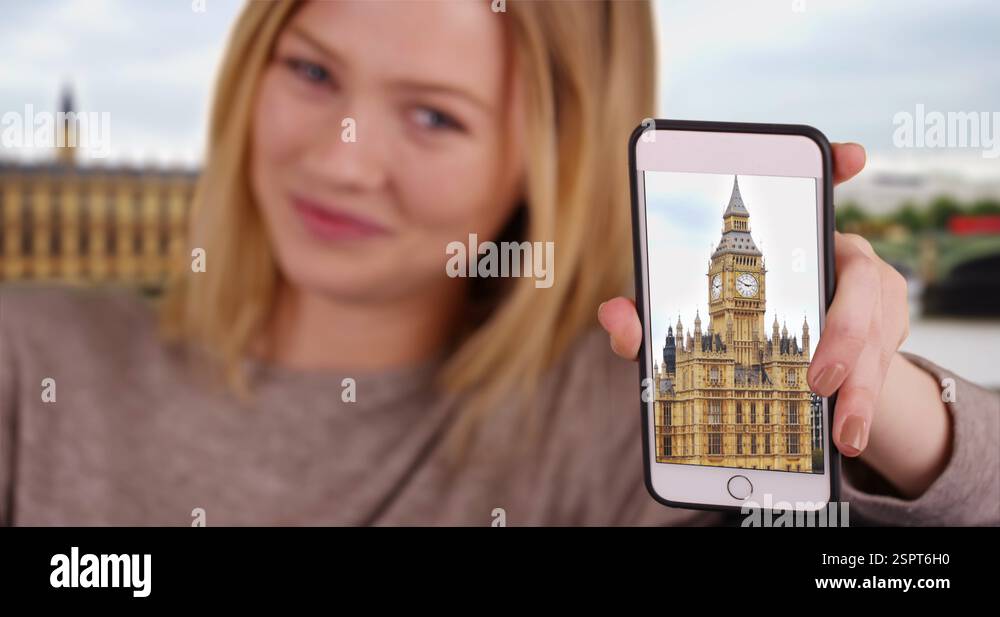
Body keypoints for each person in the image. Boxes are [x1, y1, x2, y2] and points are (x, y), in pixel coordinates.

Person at [1, 0, 996, 526]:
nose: (341, 159)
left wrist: (878, 396)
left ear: (543, 158)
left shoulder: (624, 433)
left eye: (434, 114)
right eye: (312, 70)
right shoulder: (29, 361)